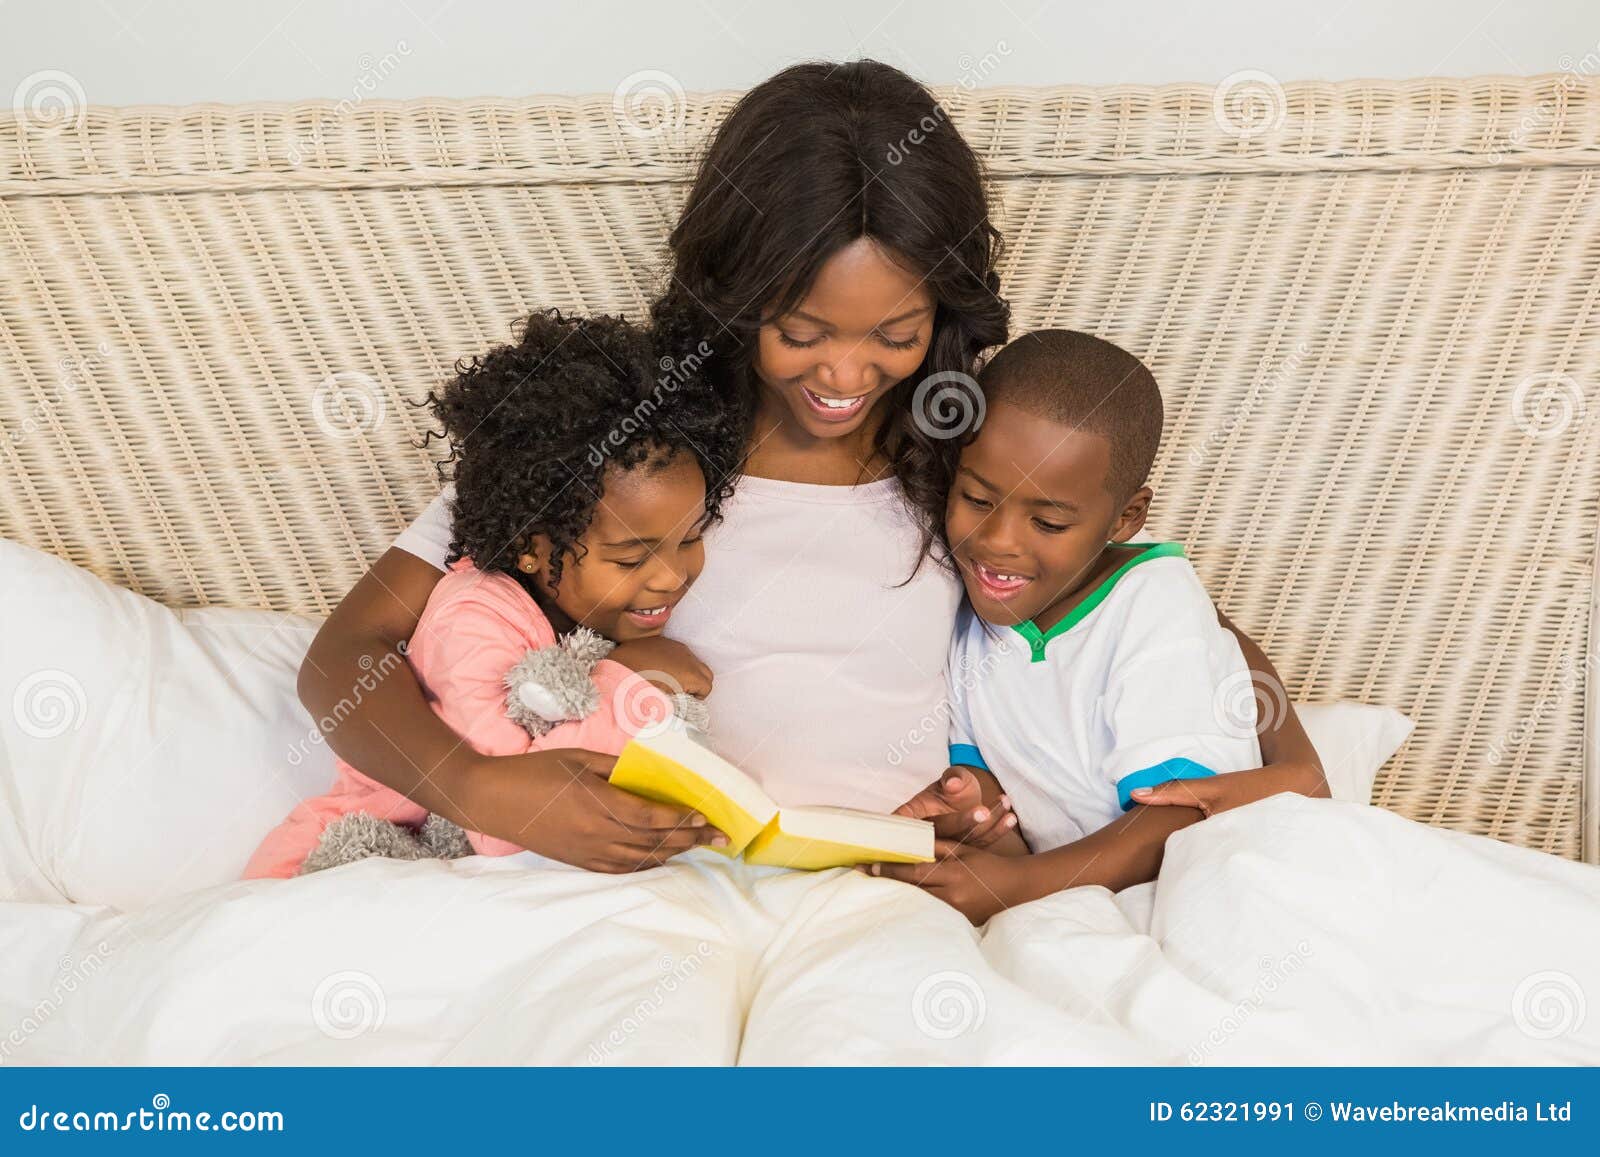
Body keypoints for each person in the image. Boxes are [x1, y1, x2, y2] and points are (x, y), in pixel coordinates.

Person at [297, 61, 1324, 874]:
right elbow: (345, 652)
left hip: (876, 884)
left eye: (896, 331)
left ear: (946, 314)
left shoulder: (962, 457)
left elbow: (1168, 612)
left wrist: (1290, 760)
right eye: (800, 328)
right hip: (637, 872)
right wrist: (472, 785)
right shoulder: (623, 442)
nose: (844, 374)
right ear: (736, 297)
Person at [246, 311, 742, 878]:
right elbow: (510, 805)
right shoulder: (474, 617)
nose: (670, 577)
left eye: (693, 537)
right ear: (532, 547)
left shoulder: (576, 604)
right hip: (348, 860)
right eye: (631, 558)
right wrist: (626, 680)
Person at [874, 330, 1327, 923]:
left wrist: (1020, 885)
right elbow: (998, 780)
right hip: (1078, 902)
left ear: (1127, 517)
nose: (997, 542)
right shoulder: (969, 609)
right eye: (978, 499)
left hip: (1218, 890)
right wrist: (974, 807)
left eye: (1049, 523)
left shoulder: (1151, 606)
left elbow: (1177, 814)